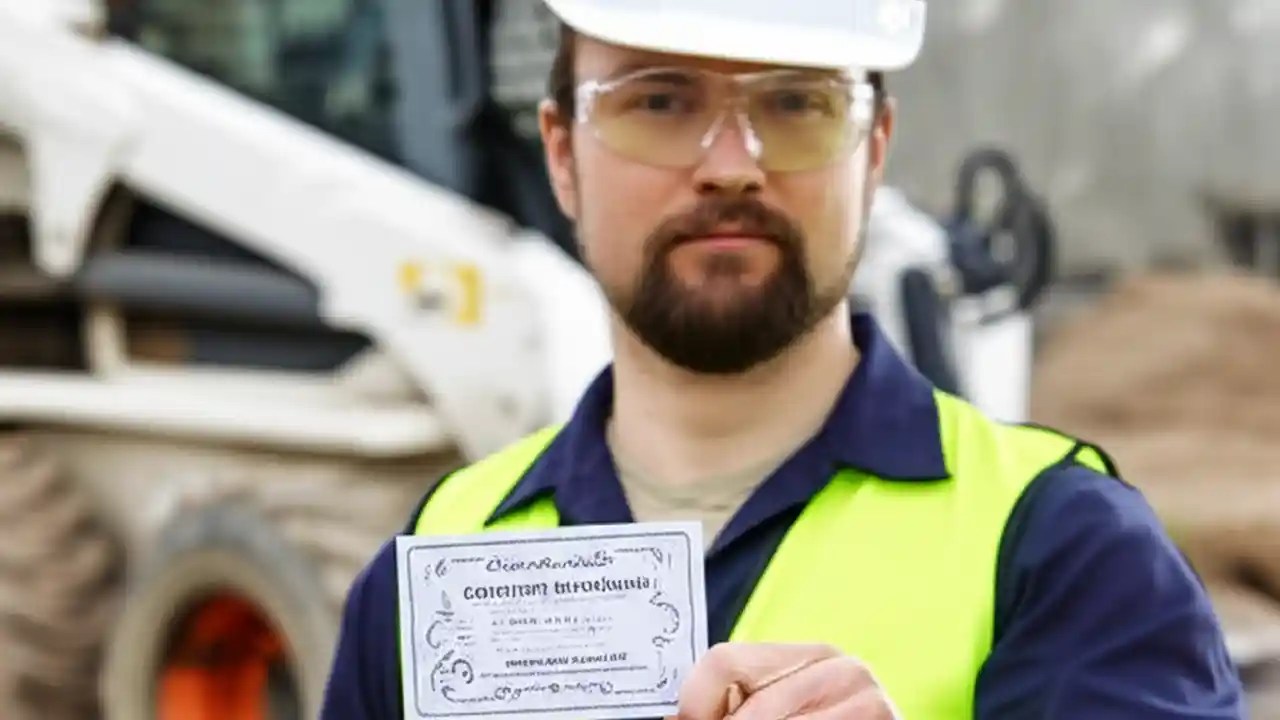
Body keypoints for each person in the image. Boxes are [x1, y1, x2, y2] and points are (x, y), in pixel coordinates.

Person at [321, 0, 1245, 717]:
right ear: (561, 154)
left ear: (874, 151)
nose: (731, 163)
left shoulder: (1065, 548)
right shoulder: (438, 557)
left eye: (796, 101)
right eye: (660, 100)